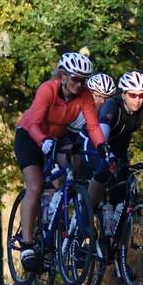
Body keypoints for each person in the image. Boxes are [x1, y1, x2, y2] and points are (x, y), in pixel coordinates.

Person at [12, 51, 113, 271]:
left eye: (83, 80)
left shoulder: (84, 95)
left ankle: (57, 208)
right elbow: (34, 123)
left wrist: (103, 148)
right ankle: (28, 244)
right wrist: (42, 141)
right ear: (63, 76)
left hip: (57, 136)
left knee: (75, 165)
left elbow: (93, 127)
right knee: (35, 186)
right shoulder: (48, 90)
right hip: (30, 135)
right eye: (75, 79)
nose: (79, 84)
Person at [88, 71, 143, 255]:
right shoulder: (112, 106)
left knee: (122, 201)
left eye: (142, 95)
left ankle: (116, 255)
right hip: (97, 146)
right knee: (103, 173)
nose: (138, 99)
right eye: (133, 95)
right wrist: (107, 155)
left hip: (120, 152)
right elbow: (102, 135)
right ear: (124, 93)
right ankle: (83, 223)